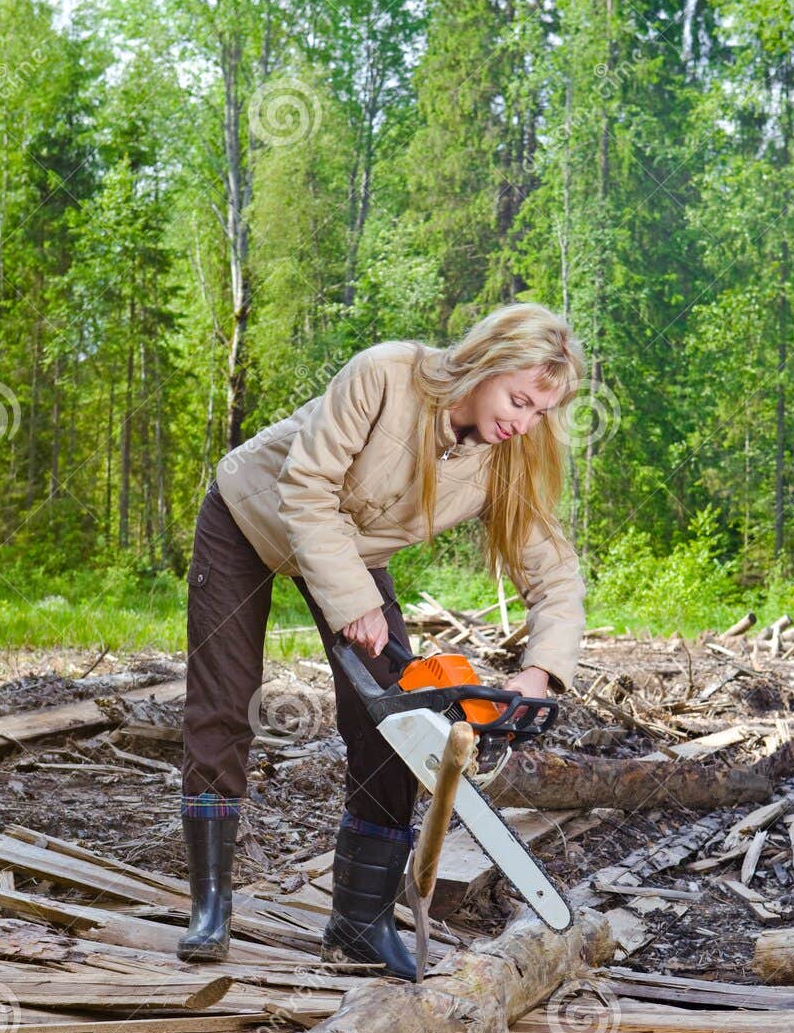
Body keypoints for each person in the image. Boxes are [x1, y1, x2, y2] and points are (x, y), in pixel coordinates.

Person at [178, 301, 588, 980]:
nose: (523, 421)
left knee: (395, 723)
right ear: (484, 363)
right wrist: (353, 599)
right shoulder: (385, 374)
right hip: (252, 513)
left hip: (350, 550)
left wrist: (540, 671)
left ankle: (358, 924)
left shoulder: (504, 458)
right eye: (518, 399)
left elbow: (554, 575)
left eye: (539, 412)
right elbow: (305, 487)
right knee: (224, 704)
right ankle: (209, 907)